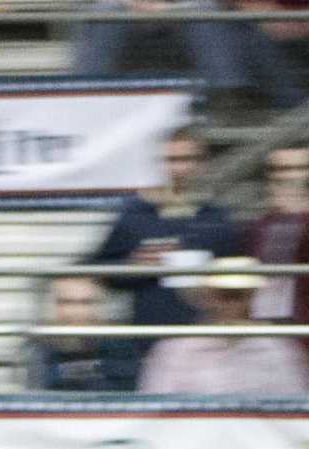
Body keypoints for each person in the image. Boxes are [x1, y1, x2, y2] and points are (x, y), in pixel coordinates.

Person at [83, 126, 240, 350]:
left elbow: (237, 278)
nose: (177, 168)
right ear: (161, 163)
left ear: (201, 163)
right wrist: (135, 267)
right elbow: (97, 269)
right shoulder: (136, 215)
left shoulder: (217, 219)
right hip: (150, 343)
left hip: (206, 343)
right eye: (171, 160)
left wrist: (211, 282)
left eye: (185, 159)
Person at [71, 0, 303, 114]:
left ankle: (229, 97)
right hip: (137, 24)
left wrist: (169, 10)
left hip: (193, 26)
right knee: (106, 12)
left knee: (204, 10)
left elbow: (239, 6)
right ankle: (88, 97)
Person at [140, 257, 309, 392]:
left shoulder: (278, 350)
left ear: (251, 299)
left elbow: (295, 410)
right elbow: (158, 412)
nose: (231, 305)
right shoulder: (175, 352)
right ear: (206, 299)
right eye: (224, 295)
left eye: (239, 296)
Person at [24, 275, 143, 391]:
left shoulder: (120, 349)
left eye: (86, 302)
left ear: (100, 307)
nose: (76, 312)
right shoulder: (35, 350)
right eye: (66, 302)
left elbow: (125, 399)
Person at [242, 142, 309, 326]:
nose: (289, 176)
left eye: (299, 168)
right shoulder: (258, 226)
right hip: (264, 326)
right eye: (280, 169)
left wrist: (301, 215)